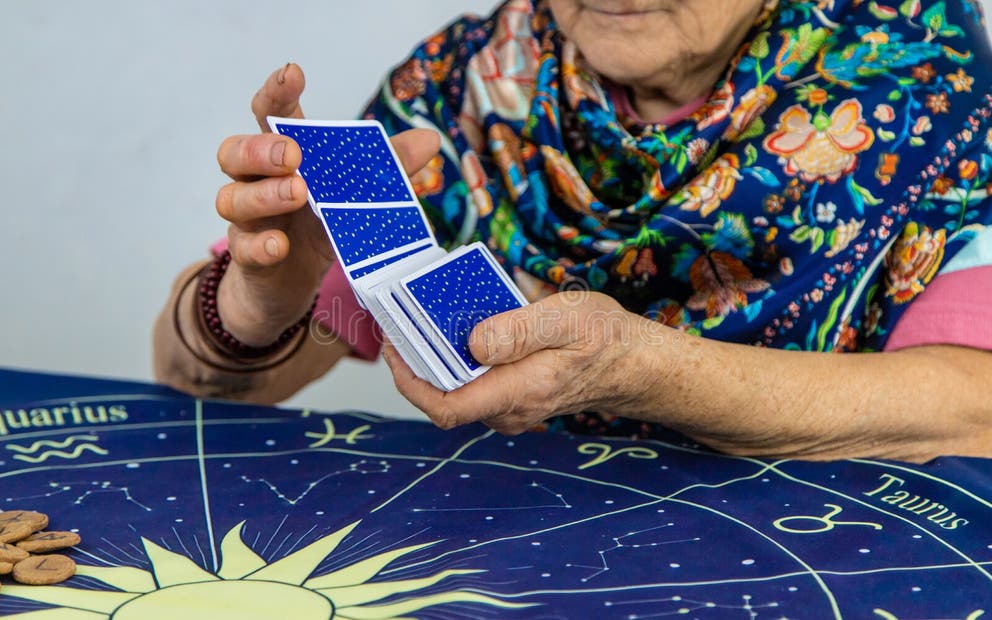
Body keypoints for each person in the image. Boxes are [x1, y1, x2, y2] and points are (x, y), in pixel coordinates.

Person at [154, 0, 992, 462]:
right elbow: (204, 387)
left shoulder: (925, 82)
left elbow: (970, 407)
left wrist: (643, 372)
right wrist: (267, 297)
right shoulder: (472, 83)